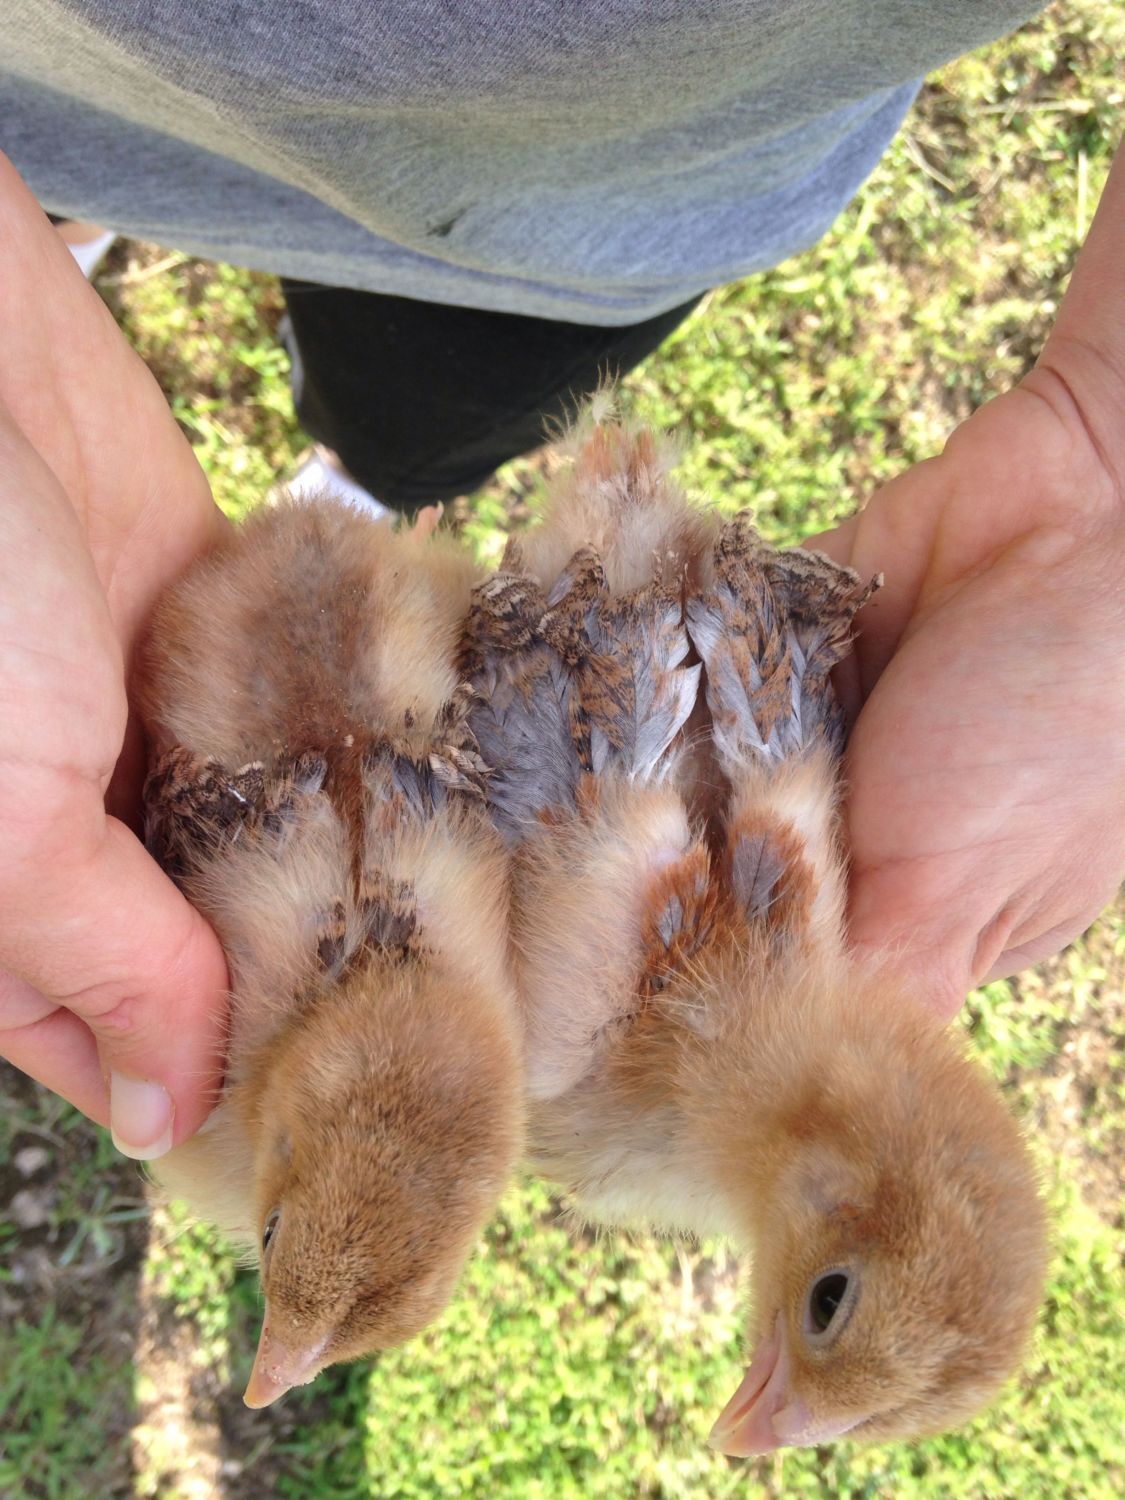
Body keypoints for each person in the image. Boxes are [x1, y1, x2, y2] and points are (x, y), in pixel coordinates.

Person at [0, 3, 1121, 1161]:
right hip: (70, 62)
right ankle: (58, 218)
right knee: (75, 154)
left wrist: (1107, 479)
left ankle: (338, 441)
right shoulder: (562, 1036)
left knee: (411, 411)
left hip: (605, 200)